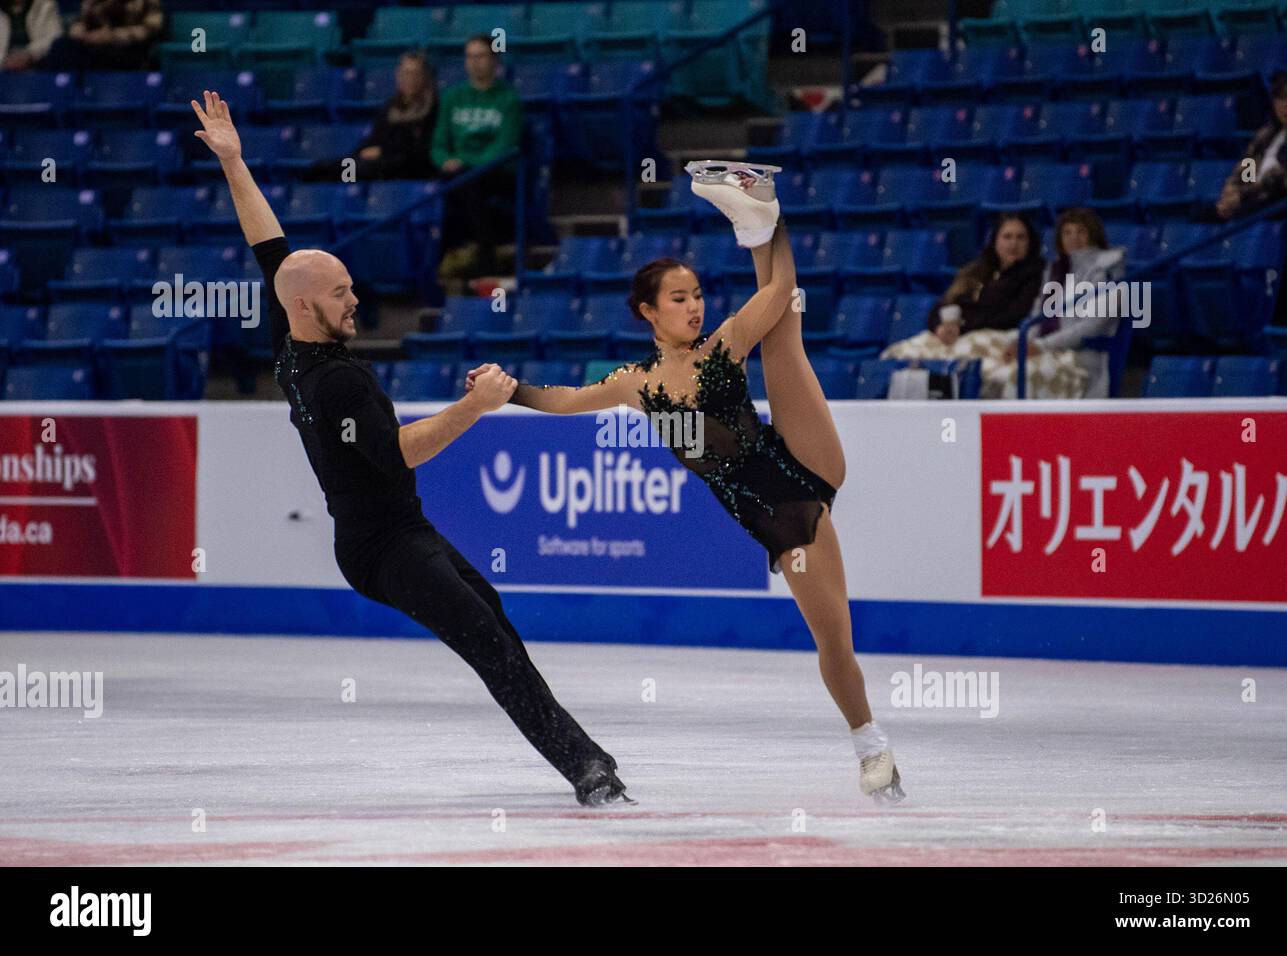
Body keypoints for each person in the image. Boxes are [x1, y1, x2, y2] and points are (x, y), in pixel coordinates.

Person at [190, 90, 628, 807]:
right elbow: (401, 454)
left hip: (396, 531)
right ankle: (586, 771)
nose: (354, 300)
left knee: (497, 628)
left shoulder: (291, 334)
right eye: (341, 293)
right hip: (381, 546)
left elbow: (267, 244)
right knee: (489, 646)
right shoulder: (336, 384)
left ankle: (586, 752)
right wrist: (477, 406)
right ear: (307, 305)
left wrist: (235, 162)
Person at [472, 163, 906, 803]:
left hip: (800, 478)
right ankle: (756, 212)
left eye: (698, 294)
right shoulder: (637, 383)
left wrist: (776, 238)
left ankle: (761, 211)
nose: (695, 305)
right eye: (679, 298)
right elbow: (566, 400)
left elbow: (783, 284)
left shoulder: (723, 347)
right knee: (832, 637)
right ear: (648, 311)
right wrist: (510, 392)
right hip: (772, 515)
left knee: (784, 331)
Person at [881, 212, 1046, 397]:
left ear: (1030, 242)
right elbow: (940, 308)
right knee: (898, 354)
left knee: (958, 362)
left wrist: (964, 326)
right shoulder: (975, 271)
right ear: (995, 241)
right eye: (1007, 236)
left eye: (1020, 237)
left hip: (994, 336)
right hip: (955, 334)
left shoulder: (1036, 274)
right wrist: (940, 327)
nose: (1013, 243)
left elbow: (1016, 315)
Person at [1194, 71, 1287, 325]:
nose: (1284, 105)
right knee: (1200, 213)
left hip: (1283, 203)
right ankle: (1209, 298)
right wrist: (1230, 193)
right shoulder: (1266, 137)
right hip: (1252, 200)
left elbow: (1284, 178)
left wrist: (1241, 196)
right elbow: (1246, 169)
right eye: (1279, 99)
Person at [999, 208, 1125, 399]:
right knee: (989, 365)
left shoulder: (1108, 270)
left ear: (1094, 234)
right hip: (1046, 350)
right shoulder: (1055, 270)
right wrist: (1021, 343)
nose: (1073, 238)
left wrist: (1042, 346)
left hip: (1081, 358)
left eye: (1081, 231)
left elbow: (1094, 326)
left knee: (1020, 375)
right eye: (1067, 233)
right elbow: (1037, 317)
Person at [432, 34, 522, 280]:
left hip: (496, 171)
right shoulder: (453, 97)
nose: (475, 62)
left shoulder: (508, 98)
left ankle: (473, 252)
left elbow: (505, 145)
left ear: (495, 60)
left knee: (463, 185)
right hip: (459, 172)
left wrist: (468, 165)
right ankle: (481, 249)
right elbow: (439, 144)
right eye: (470, 57)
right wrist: (445, 160)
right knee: (450, 185)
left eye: (481, 56)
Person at [306, 52, 437, 183]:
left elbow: (422, 151)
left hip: (404, 168)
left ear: (424, 77)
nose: (408, 79)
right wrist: (359, 154)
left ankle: (351, 187)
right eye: (404, 73)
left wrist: (383, 151)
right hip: (377, 163)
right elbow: (374, 137)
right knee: (321, 170)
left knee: (353, 172)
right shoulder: (390, 107)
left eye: (414, 74)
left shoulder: (432, 108)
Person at [39, 0, 161, 71]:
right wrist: (78, 27)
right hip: (96, 47)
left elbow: (151, 29)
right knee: (60, 47)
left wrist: (113, 36)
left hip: (130, 50)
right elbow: (83, 19)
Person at [0, 0, 62, 71]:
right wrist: (6, 61)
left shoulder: (46, 4)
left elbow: (54, 37)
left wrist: (29, 54)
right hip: (3, 70)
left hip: (37, 66)